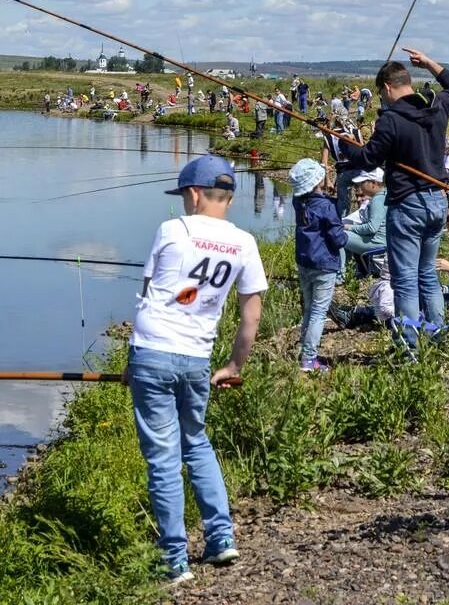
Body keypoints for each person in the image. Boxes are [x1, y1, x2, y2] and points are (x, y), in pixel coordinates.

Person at [126, 155, 267, 581]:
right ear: (228, 196)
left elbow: (149, 292)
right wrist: (233, 365)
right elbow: (252, 315)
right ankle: (221, 538)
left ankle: (174, 559)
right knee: (197, 442)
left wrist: (136, 362)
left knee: (164, 459)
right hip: (197, 358)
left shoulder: (173, 229)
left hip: (153, 351)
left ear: (192, 194)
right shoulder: (244, 243)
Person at [336, 48, 449, 353]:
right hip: (437, 200)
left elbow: (369, 158)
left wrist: (346, 145)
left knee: (406, 280)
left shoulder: (390, 120)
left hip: (407, 204)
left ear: (385, 88)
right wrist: (431, 63)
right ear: (408, 80)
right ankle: (436, 338)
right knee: (428, 275)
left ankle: (411, 347)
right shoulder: (436, 106)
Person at [289, 158, 347, 372]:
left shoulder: (299, 203)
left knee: (309, 307)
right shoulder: (326, 207)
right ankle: (309, 358)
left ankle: (304, 351)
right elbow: (338, 239)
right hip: (324, 264)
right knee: (319, 311)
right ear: (318, 180)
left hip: (305, 262)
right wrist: (345, 236)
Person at [343, 167, 387, 258]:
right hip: (383, 241)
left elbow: (372, 228)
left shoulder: (377, 199)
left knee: (337, 235)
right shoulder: (385, 195)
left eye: (363, 182)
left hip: (377, 243)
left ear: (374, 183)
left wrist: (349, 227)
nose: (360, 186)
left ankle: (341, 270)